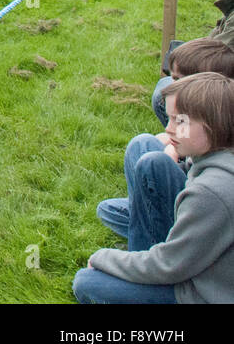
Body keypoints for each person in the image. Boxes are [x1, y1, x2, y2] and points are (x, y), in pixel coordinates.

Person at [74, 73, 234, 303]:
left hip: (203, 291)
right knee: (112, 205)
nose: (168, 129)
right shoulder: (216, 160)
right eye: (169, 119)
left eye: (180, 121)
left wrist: (103, 257)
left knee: (87, 282)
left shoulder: (210, 193)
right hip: (201, 265)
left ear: (213, 126)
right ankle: (139, 256)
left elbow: (169, 265)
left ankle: (137, 256)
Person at [97, 39, 234, 252]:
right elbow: (193, 166)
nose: (170, 85)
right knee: (109, 207)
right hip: (191, 196)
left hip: (198, 214)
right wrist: (173, 145)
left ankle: (147, 250)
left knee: (153, 164)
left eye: (178, 79)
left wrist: (171, 154)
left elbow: (203, 188)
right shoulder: (212, 121)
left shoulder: (219, 139)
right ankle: (146, 227)